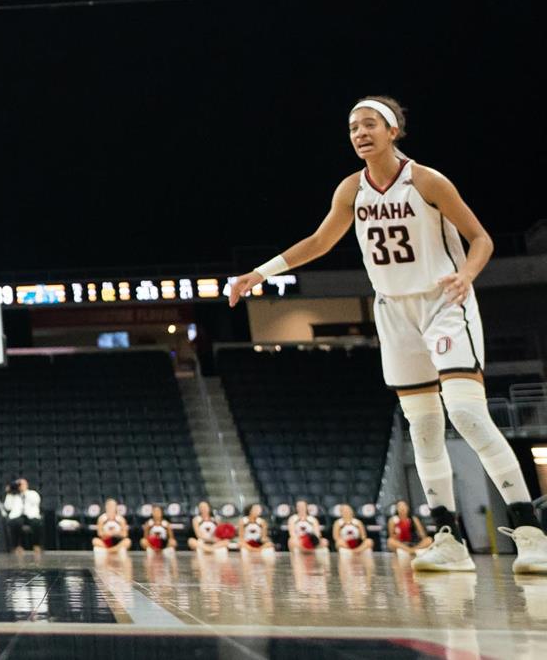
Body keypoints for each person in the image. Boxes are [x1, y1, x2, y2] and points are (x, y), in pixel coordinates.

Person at [228, 95, 547, 576]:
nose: (360, 132)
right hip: (393, 312)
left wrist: (467, 276)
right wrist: (260, 272)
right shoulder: (350, 190)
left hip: (443, 303)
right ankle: (449, 540)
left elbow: (481, 238)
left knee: (465, 414)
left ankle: (530, 534)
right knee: (422, 427)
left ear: (394, 130)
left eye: (370, 124)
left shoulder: (426, 180)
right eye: (353, 126)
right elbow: (319, 242)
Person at [2, 479, 44, 551]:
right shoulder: (13, 495)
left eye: (22, 484)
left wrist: (24, 492)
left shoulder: (32, 493)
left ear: (26, 485)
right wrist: (9, 492)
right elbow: (7, 506)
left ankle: (36, 545)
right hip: (17, 516)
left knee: (36, 523)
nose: (20, 486)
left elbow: (36, 501)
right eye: (19, 485)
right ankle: (17, 546)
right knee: (15, 523)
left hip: (31, 515)